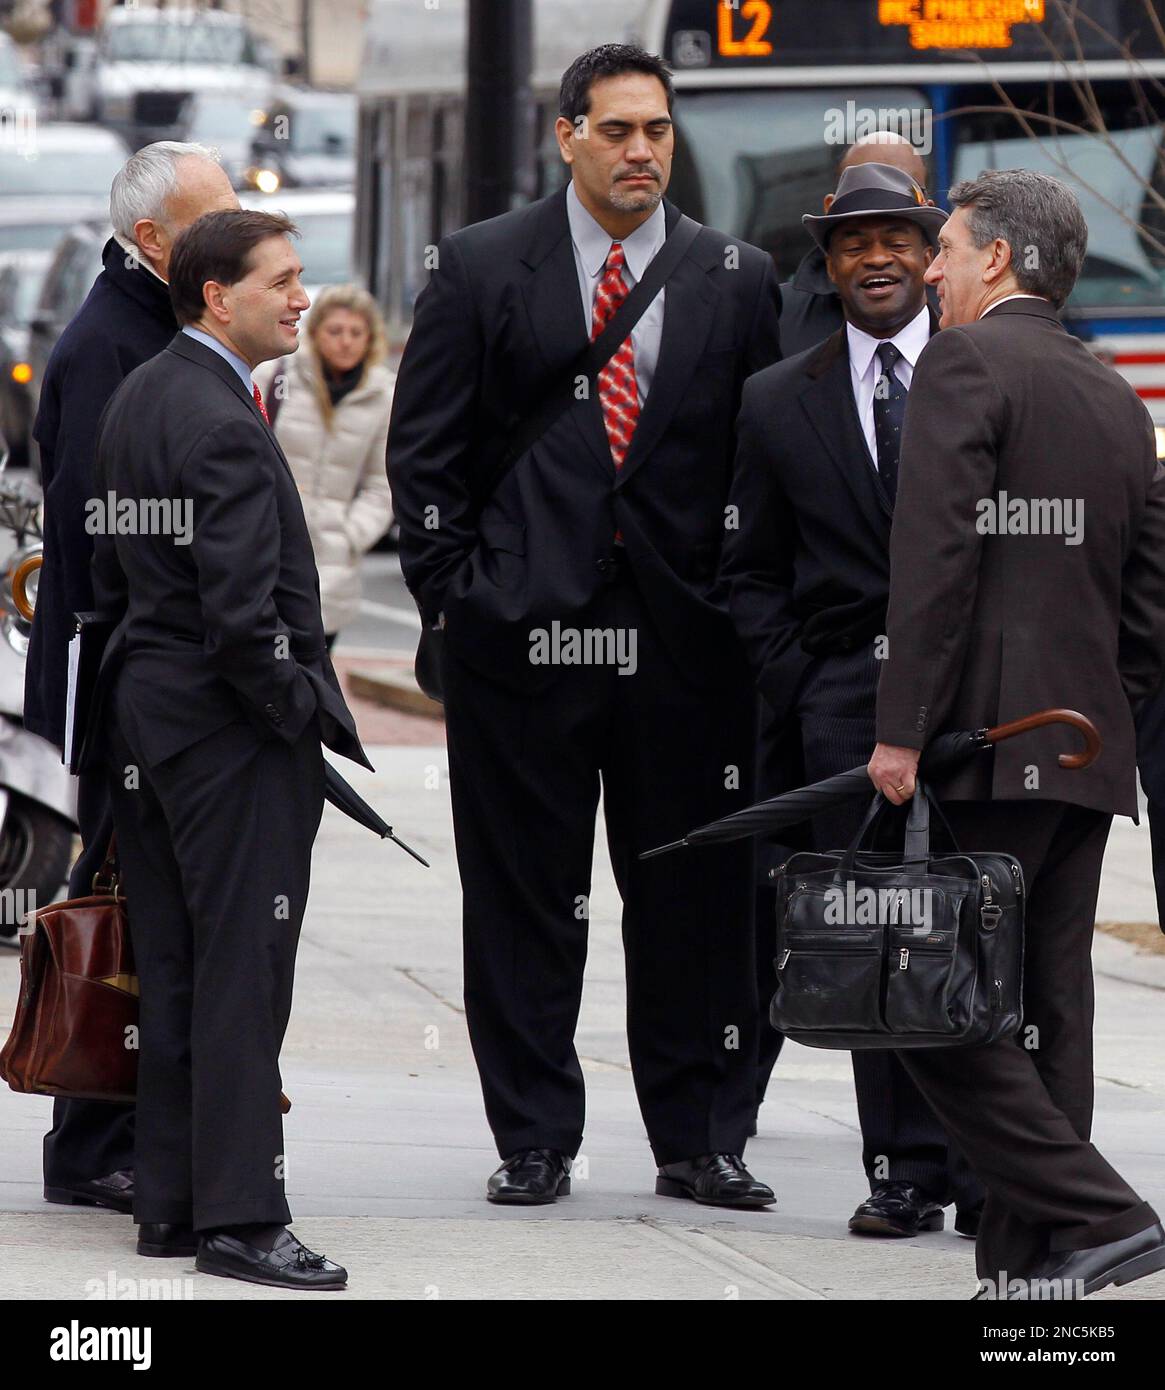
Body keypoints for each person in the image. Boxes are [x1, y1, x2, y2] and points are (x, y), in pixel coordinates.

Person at [388, 44, 781, 1207]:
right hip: (521, 646)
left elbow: (760, 461)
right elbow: (427, 455)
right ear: (567, 136)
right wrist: (459, 594)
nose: (640, 152)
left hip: (686, 653)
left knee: (697, 904)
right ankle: (533, 1137)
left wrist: (736, 605)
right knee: (522, 902)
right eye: (616, 130)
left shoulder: (736, 275)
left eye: (656, 131)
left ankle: (700, 1139)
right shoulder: (477, 266)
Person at [869, 168, 1165, 1297]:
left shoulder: (965, 359)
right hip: (1083, 749)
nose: (929, 268)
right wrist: (1104, 706)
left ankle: (1107, 1214)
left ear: (996, 259)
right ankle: (1038, 1266)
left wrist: (899, 729)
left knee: (926, 1002)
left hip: (981, 746)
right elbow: (1147, 598)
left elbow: (934, 557)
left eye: (944, 247)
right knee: (1046, 1012)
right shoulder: (1112, 390)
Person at [88, 209, 370, 1288]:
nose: (304, 297)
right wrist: (295, 706)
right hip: (226, 733)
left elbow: (117, 571)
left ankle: (172, 1203)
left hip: (150, 719)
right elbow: (244, 621)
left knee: (178, 969)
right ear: (219, 296)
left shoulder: (143, 393)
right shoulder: (216, 417)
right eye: (284, 280)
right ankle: (245, 1219)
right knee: (244, 975)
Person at [723, 162, 983, 1239]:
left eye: (896, 239)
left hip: (980, 709)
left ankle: (993, 1165)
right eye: (850, 242)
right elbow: (746, 570)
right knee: (876, 943)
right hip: (840, 717)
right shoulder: (778, 398)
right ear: (824, 264)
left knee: (978, 933)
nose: (874, 257)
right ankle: (903, 1169)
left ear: (931, 257)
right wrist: (805, 681)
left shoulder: (983, 375)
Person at [28, 141, 238, 1220]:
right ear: (152, 240)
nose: (237, 236)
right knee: (121, 916)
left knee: (151, 916)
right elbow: (96, 531)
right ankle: (91, 1141)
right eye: (215, 221)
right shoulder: (112, 342)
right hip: (127, 688)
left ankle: (115, 1130)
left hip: (149, 684)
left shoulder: (160, 324)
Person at [257, 284, 394, 651]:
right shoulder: (276, 377)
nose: (346, 342)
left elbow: (384, 483)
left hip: (332, 564)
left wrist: (350, 535)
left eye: (356, 333)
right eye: (335, 331)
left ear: (370, 338)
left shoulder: (384, 394)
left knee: (313, 678)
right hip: (267, 547)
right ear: (315, 333)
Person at [779, 132, 934, 356]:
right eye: (860, 187)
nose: (878, 258)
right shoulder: (779, 313)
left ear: (926, 208)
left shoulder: (962, 306)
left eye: (903, 188)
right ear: (830, 207)